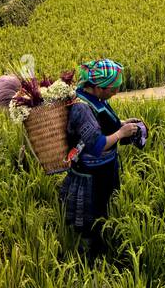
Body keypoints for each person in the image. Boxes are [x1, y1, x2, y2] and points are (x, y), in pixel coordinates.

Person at [59, 58, 146, 261]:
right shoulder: (81, 108)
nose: (116, 92)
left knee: (104, 213)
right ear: (98, 87)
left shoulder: (97, 100)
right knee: (90, 219)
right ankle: (87, 259)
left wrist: (124, 124)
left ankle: (102, 247)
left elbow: (104, 122)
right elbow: (96, 145)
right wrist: (121, 133)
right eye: (113, 88)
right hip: (91, 176)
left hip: (105, 170)